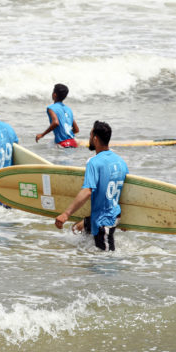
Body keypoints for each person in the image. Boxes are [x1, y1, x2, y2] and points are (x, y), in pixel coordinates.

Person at [55, 121, 128, 251]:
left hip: (104, 221)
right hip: (113, 214)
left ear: (95, 138)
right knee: (76, 229)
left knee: (105, 262)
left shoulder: (94, 163)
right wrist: (128, 218)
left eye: (90, 135)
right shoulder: (121, 162)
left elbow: (87, 191)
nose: (89, 139)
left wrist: (66, 214)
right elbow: (126, 192)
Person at [35, 83, 80, 148]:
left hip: (63, 144)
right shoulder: (68, 109)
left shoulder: (51, 108)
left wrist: (42, 134)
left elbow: (55, 123)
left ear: (54, 94)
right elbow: (76, 129)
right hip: (73, 143)